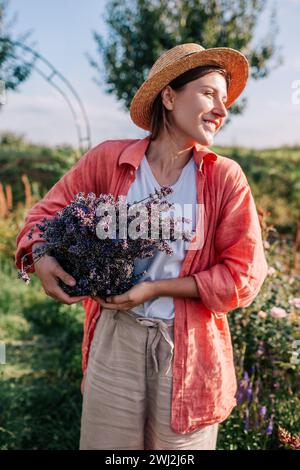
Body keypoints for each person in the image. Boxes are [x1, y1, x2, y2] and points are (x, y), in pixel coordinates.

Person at [15, 43, 269, 450]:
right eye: (208, 93)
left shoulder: (224, 178)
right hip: (117, 338)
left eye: (225, 100)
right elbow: (41, 219)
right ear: (169, 96)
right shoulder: (109, 161)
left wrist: (154, 289)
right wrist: (42, 257)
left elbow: (243, 276)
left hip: (188, 349)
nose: (222, 109)